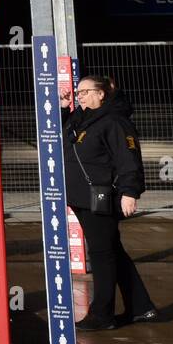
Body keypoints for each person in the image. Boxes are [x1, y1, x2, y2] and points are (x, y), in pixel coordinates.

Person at [65, 74, 156, 331]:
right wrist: (63, 109)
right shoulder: (83, 119)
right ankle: (141, 307)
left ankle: (102, 315)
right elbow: (69, 138)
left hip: (100, 197)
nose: (78, 96)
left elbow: (129, 158)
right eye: (78, 92)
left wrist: (130, 191)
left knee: (102, 255)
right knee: (113, 251)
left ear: (101, 93)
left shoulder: (114, 121)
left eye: (84, 92)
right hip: (82, 197)